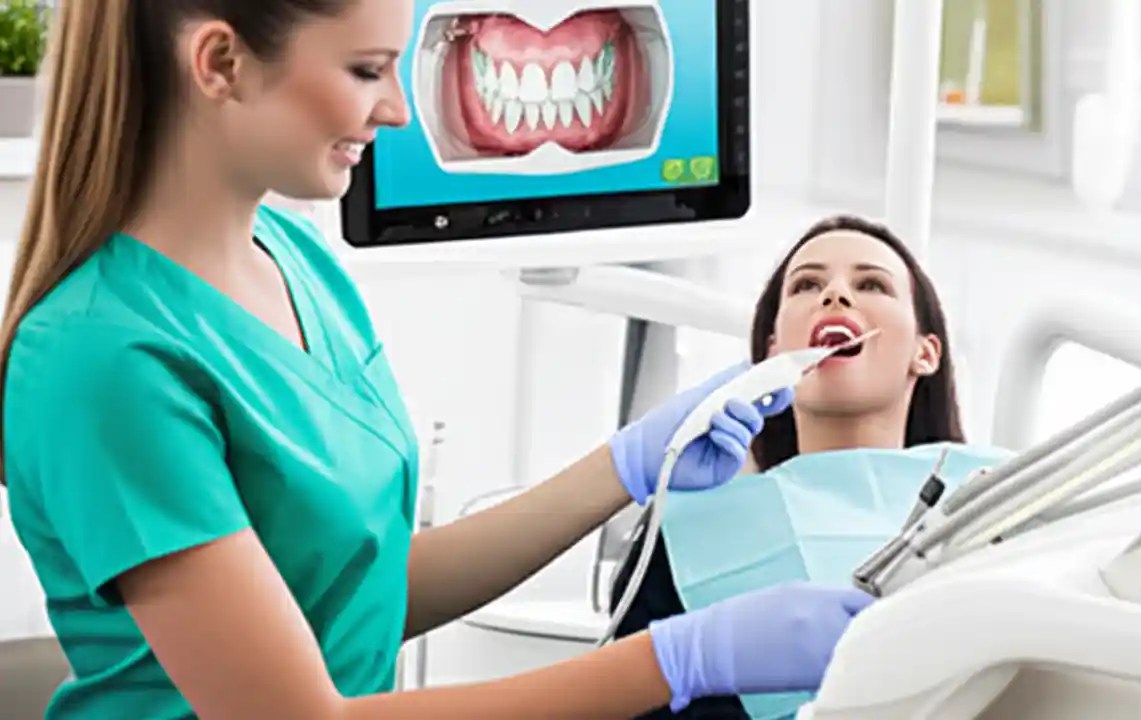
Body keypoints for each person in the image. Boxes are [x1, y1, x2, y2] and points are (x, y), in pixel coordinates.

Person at [0, 3, 873, 719]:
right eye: (366, 71)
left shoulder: (292, 260)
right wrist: (685, 657)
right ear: (221, 63)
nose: (397, 112)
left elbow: (368, 588)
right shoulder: (103, 359)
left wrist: (626, 465)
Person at [610, 214, 968, 719]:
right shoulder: (691, 537)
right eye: (807, 284)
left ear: (925, 352)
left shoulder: (989, 504)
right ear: (773, 350)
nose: (836, 295)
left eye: (871, 284)